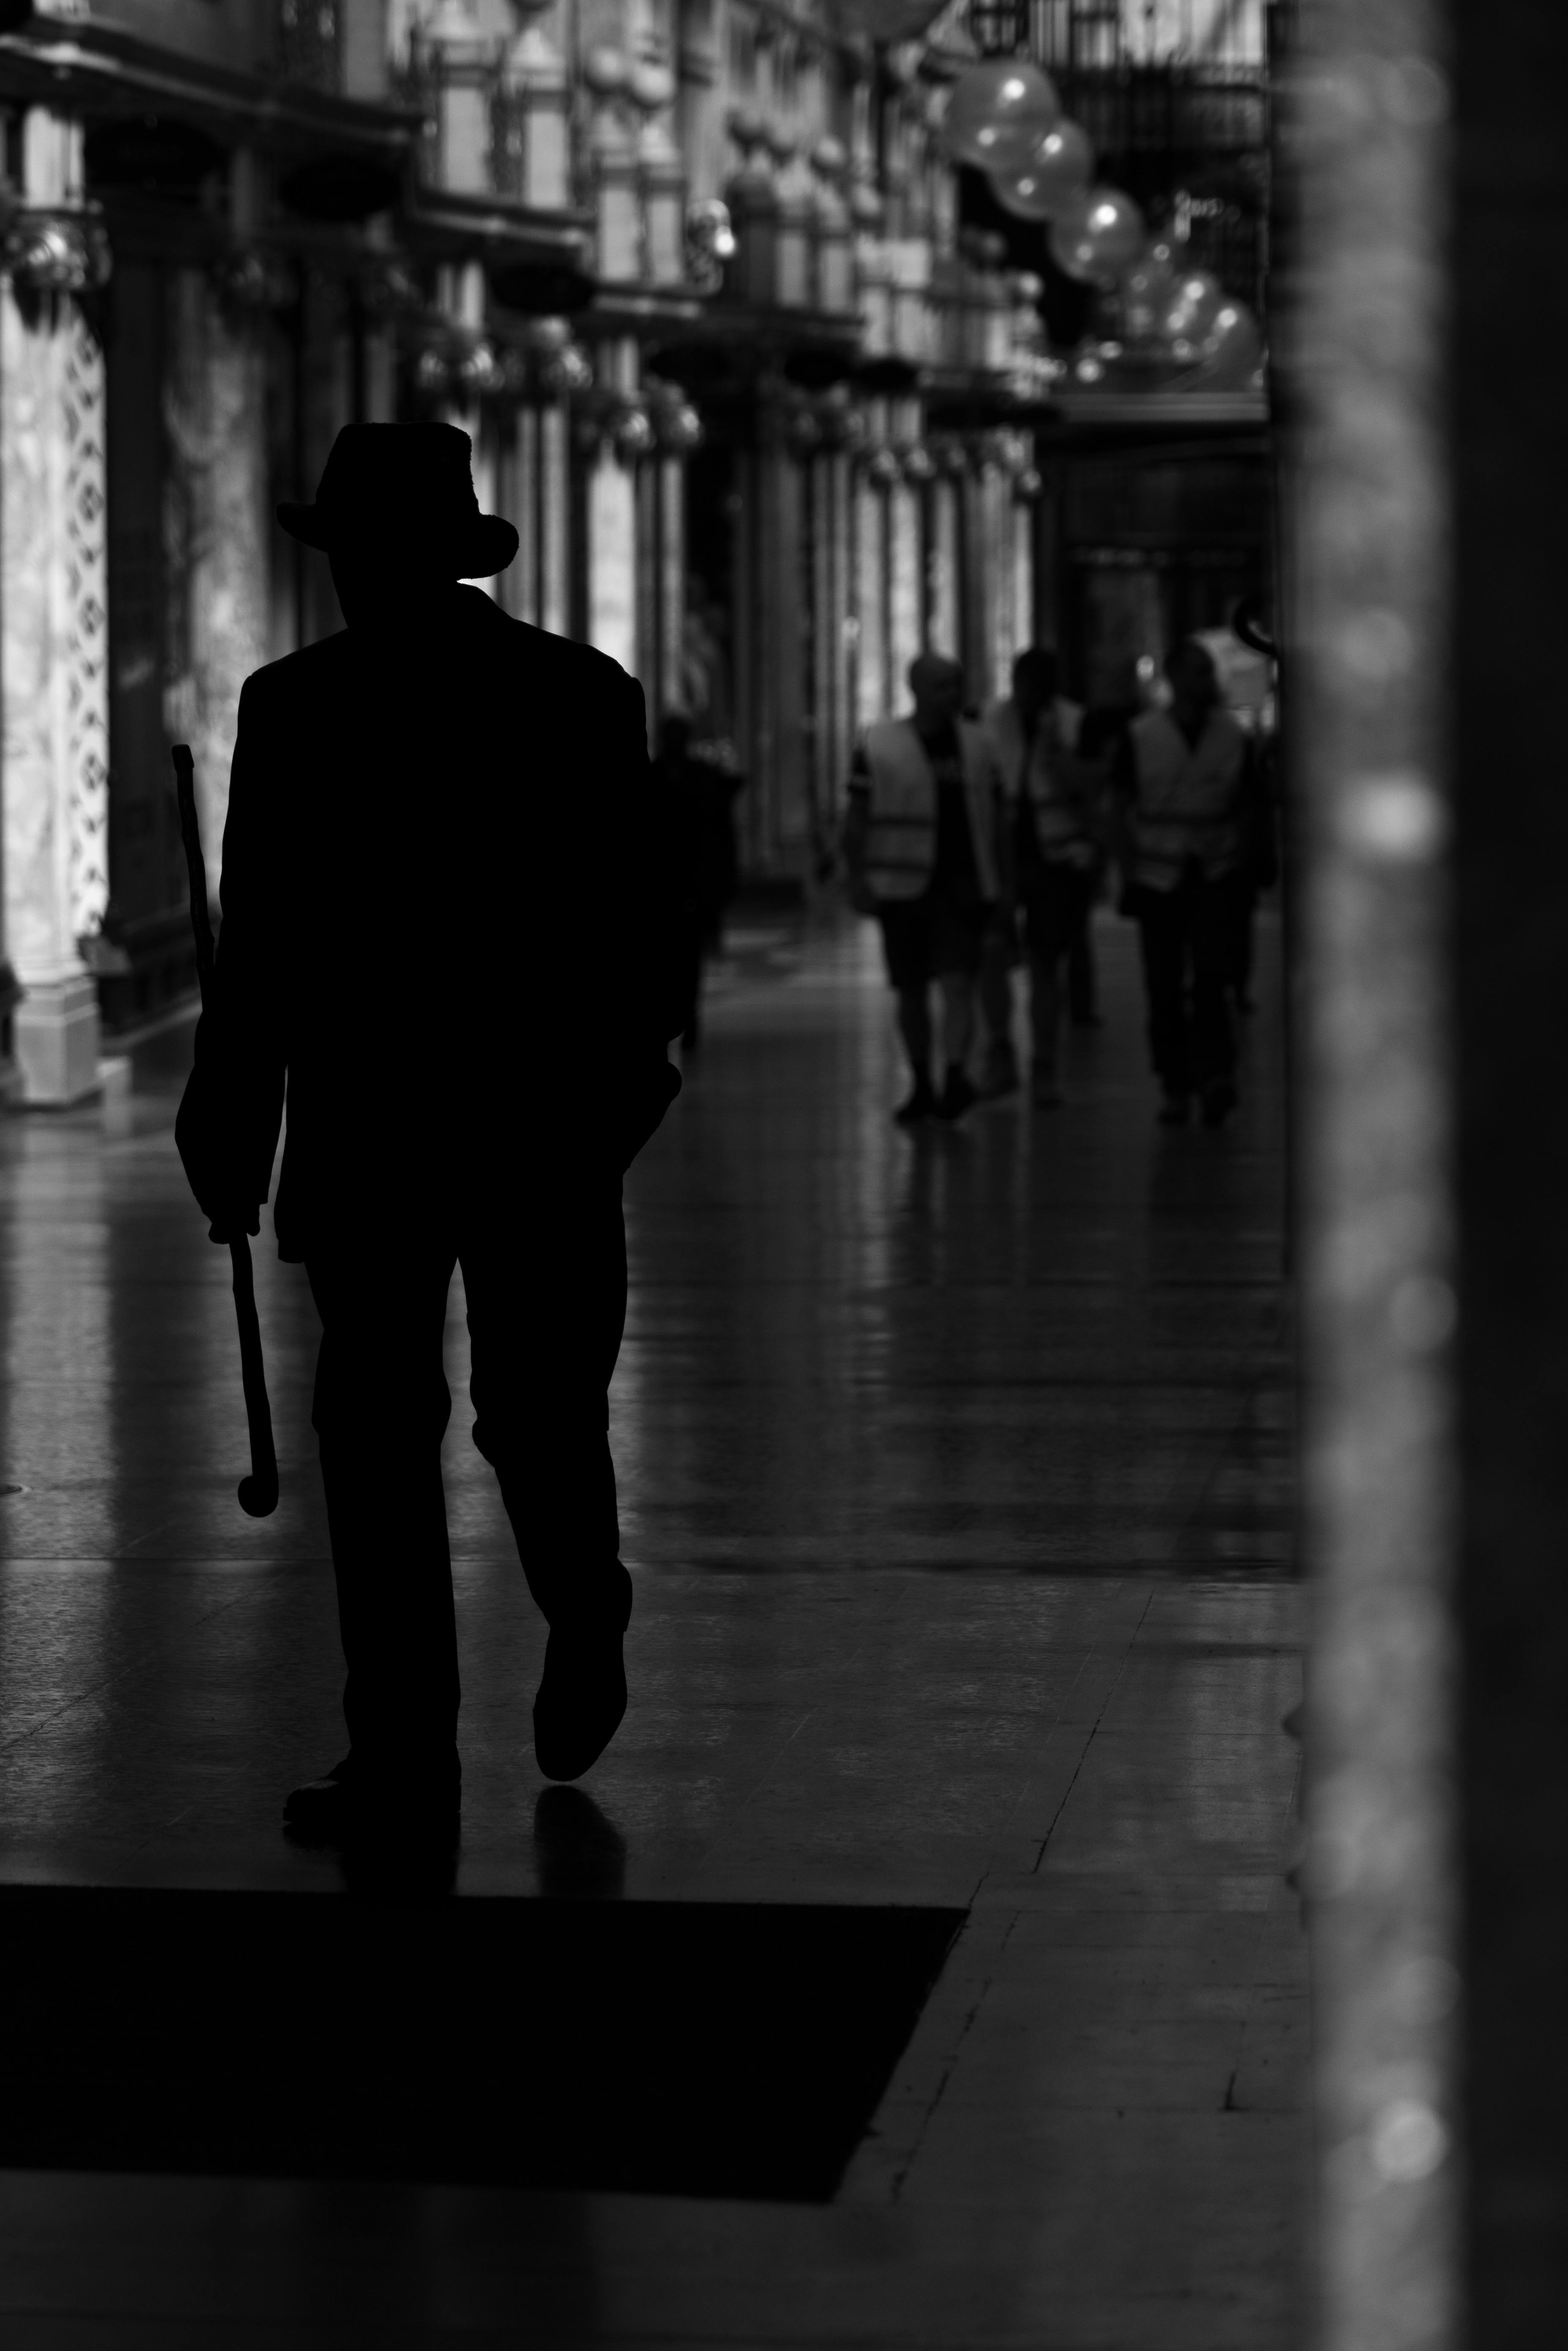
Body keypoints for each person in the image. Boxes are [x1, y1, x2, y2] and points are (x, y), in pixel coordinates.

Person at [175, 423, 684, 1838]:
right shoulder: (538, 696)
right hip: (477, 1130)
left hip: (462, 1126)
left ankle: (514, 1664)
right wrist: (235, 1113)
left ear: (386, 557)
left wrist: (232, 1107)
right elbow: (265, 948)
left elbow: (262, 948)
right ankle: (450, 1707)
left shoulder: (349, 707)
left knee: (458, 1423)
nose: (344, 578)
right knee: (449, 1421)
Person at [842, 652, 1004, 1125]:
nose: (952, 694)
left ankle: (954, 1073)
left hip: (962, 884)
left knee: (958, 981)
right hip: (902, 885)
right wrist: (858, 877)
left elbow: (999, 821)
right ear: (916, 688)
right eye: (941, 686)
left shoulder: (980, 744)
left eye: (956, 684)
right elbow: (857, 817)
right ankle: (921, 1081)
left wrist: (1003, 885)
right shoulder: (879, 743)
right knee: (910, 989)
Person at [1113, 636, 1260, 1128]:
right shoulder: (1141, 736)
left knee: (1212, 982)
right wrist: (1128, 869)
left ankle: (1216, 1074)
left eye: (1209, 672)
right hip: (1159, 878)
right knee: (1163, 986)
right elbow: (1120, 806)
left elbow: (1247, 805)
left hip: (1214, 874)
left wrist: (1244, 863)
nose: (1207, 682)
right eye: (1198, 672)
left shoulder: (1233, 736)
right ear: (1174, 679)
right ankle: (1175, 1082)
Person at [981, 647, 1103, 1108]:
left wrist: (1055, 751)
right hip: (1002, 856)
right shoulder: (991, 720)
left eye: (1037, 686)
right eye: (1021, 683)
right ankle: (1000, 1053)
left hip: (1057, 859)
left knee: (1045, 962)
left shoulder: (1075, 723)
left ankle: (1045, 1066)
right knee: (992, 955)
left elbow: (1090, 788)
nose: (1027, 695)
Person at [652, 711, 741, 1049]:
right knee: (675, 961)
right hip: (670, 886)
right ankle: (681, 1018)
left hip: (684, 886)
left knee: (684, 960)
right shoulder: (662, 777)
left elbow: (717, 838)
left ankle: (686, 1018)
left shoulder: (692, 779)